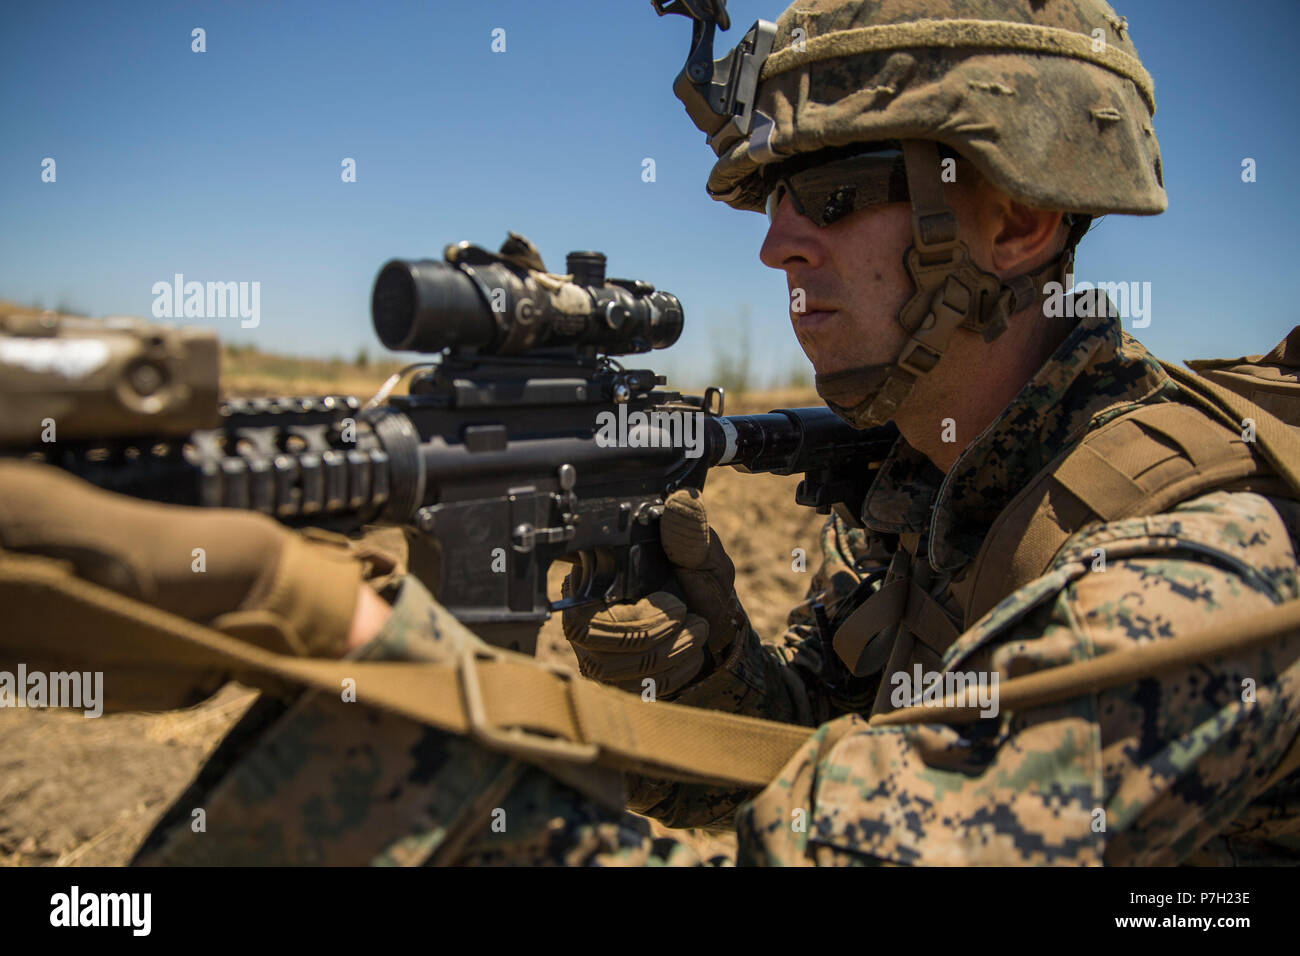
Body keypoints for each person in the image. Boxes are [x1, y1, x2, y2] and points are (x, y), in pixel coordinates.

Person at [5, 0, 1298, 866]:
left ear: (1016, 224)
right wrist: (711, 667)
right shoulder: (928, 479)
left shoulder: (1195, 562)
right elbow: (819, 759)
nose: (775, 240)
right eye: (771, 199)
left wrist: (385, 671)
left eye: (829, 194)